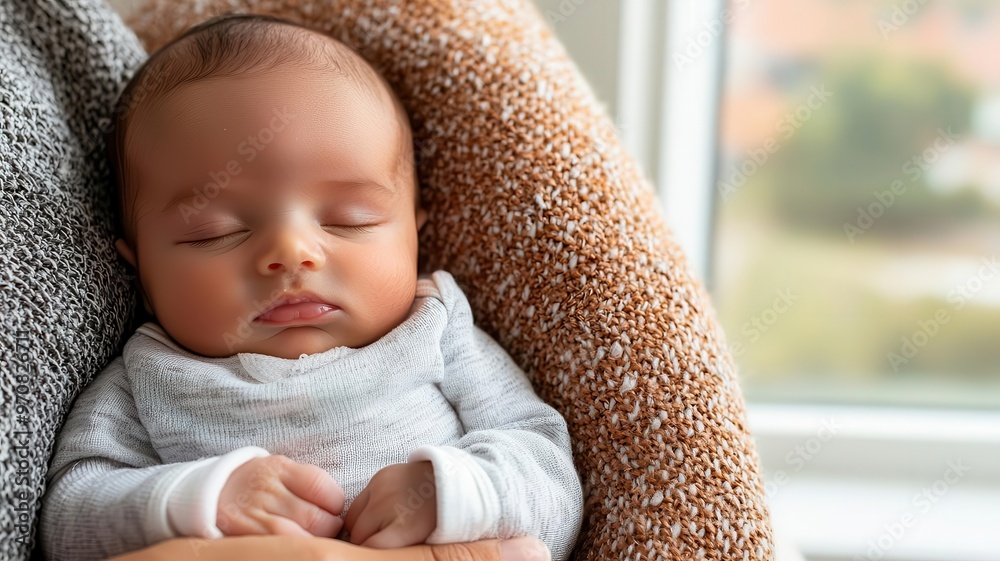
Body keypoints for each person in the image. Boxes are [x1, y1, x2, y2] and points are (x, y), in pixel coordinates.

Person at [38, 13, 582, 561]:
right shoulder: (149, 375)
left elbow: (550, 475)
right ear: (142, 275)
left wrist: (455, 492)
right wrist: (201, 499)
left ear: (414, 237)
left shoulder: (436, 328)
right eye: (216, 231)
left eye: (350, 218)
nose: (291, 252)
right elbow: (68, 517)